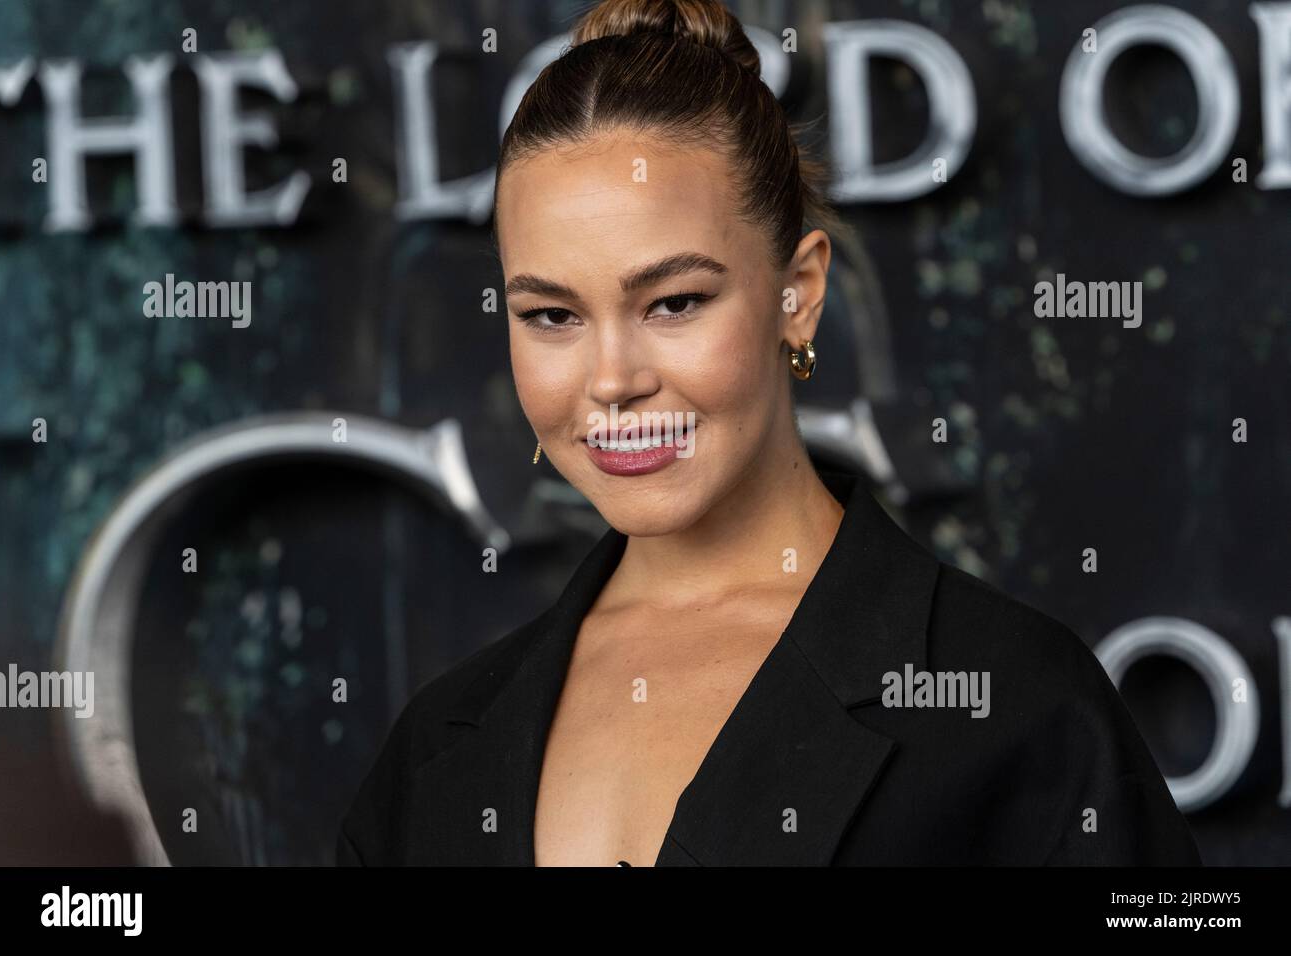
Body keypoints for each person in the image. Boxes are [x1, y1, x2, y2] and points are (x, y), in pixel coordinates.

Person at [336, 0, 1201, 866]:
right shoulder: (438, 750)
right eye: (552, 315)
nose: (612, 381)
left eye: (674, 303)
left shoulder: (1018, 705)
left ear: (800, 293)